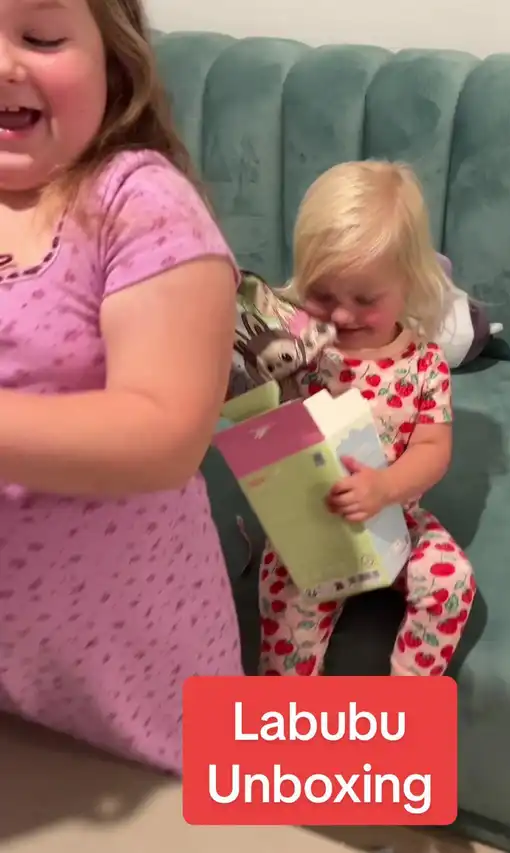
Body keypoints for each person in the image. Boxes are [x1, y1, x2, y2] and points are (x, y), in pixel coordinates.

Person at [0, 0, 242, 772]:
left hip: (136, 701)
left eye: (40, 37)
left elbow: (165, 433)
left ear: (115, 59)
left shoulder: (136, 201)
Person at [259, 161, 476, 677]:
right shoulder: (302, 351)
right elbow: (264, 419)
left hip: (394, 517)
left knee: (451, 580)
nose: (341, 315)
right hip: (312, 520)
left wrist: (385, 489)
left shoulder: (424, 363)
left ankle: (403, 701)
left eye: (364, 299)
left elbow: (432, 450)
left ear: (409, 285)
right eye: (323, 295)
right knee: (284, 595)